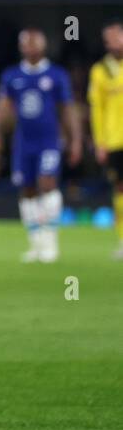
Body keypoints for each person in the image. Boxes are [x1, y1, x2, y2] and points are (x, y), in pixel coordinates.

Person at [0, 29, 79, 263]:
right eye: (25, 43)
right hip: (23, 142)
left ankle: (50, 240)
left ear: (43, 45)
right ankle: (35, 243)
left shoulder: (56, 75)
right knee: (27, 190)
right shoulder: (11, 76)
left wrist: (75, 139)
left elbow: (67, 109)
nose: (30, 47)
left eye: (34, 42)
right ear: (21, 47)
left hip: (49, 140)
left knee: (47, 182)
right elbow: (2, 108)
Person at [87, 20, 123, 259]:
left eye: (115, 37)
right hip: (114, 140)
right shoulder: (100, 71)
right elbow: (96, 109)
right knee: (120, 189)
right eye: (107, 39)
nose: (111, 42)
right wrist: (99, 142)